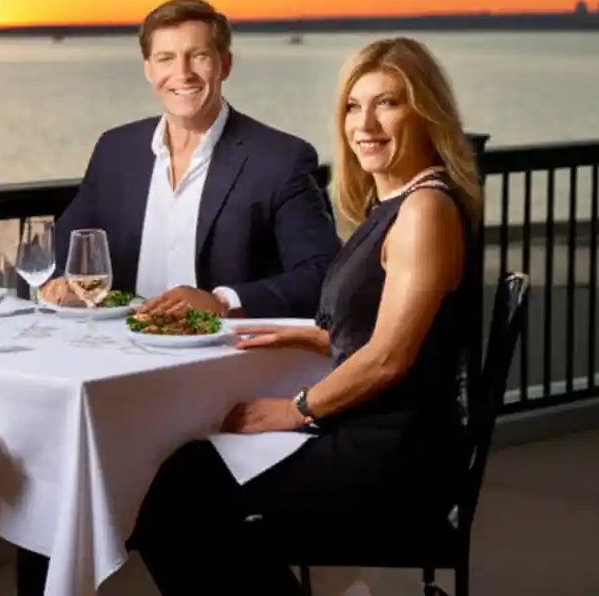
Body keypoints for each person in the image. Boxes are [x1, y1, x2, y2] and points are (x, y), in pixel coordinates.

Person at [127, 36, 484, 594]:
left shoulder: (425, 211)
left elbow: (390, 359)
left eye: (388, 103)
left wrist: (293, 410)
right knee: (183, 482)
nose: (365, 123)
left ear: (426, 113)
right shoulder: (391, 206)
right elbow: (391, 330)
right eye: (352, 106)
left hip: (393, 454)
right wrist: (310, 337)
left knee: (176, 498)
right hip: (370, 431)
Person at [39, 0, 340, 320]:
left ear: (225, 65)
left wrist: (223, 302)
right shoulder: (116, 150)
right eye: (166, 58)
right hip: (119, 347)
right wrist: (58, 282)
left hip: (224, 357)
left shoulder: (279, 160)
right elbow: (59, 252)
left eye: (198, 57)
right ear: (149, 70)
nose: (182, 74)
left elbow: (324, 274)